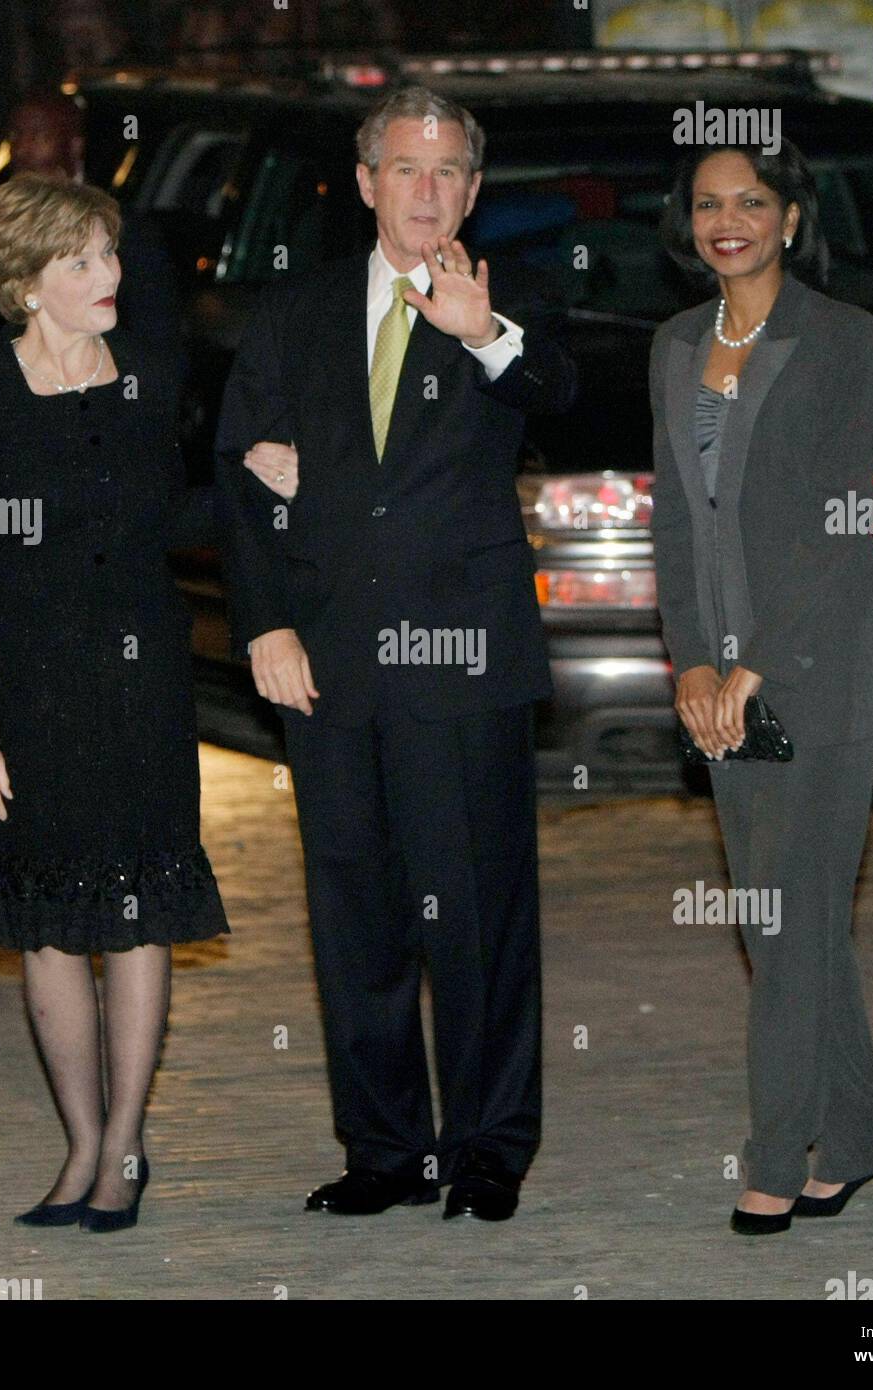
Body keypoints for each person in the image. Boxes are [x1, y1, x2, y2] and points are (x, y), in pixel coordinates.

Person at [217, 86, 576, 1221]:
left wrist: (484, 337)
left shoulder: (510, 302)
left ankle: (484, 1147)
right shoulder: (297, 310)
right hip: (328, 665)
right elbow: (239, 467)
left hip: (462, 664)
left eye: (450, 172)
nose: (429, 192)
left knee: (475, 913)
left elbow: (564, 392)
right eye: (407, 169)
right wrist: (265, 619)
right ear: (367, 181)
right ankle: (384, 1148)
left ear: (474, 190)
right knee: (356, 911)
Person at [0, 173, 228, 1232]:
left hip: (141, 686)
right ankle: (82, 1145)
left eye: (111, 254)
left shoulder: (145, 371)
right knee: (51, 923)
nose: (111, 275)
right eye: (83, 261)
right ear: (25, 281)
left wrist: (249, 481)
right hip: (30, 689)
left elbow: (165, 512)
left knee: (138, 913)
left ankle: (128, 1147)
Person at [650, 140, 873, 1234]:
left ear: (792, 220)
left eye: (751, 202)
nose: (730, 221)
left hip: (818, 669)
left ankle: (774, 1153)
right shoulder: (672, 344)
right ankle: (862, 1132)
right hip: (720, 685)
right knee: (788, 923)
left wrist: (754, 661)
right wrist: (693, 663)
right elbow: (675, 519)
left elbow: (839, 520)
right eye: (710, 204)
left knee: (786, 913)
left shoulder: (840, 337)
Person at [0, 90, 183, 376]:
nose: (23, 149)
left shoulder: (123, 232)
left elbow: (156, 335)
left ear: (75, 145)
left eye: (39, 137)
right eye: (16, 136)